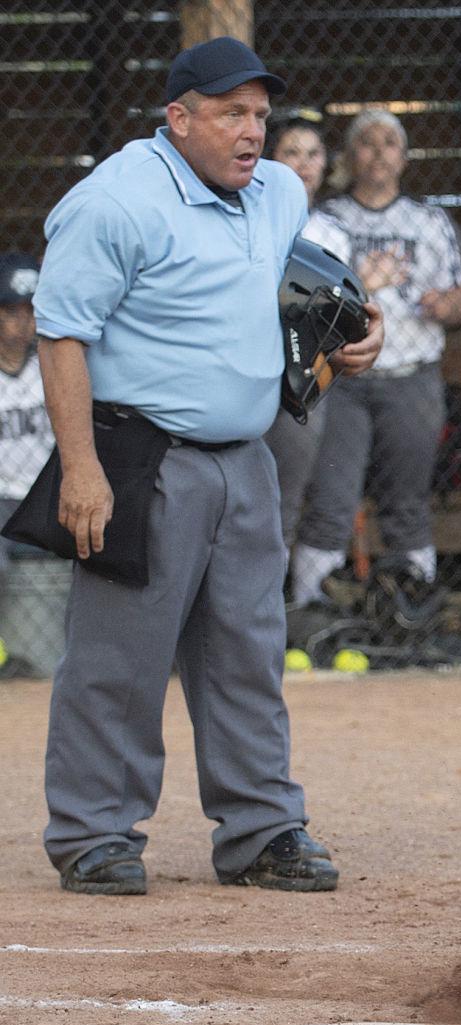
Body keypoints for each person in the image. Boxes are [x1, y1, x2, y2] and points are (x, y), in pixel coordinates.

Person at [30, 37, 383, 895]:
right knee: (119, 657)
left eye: (260, 113)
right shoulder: (114, 201)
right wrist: (81, 469)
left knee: (249, 652)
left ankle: (262, 828)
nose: (252, 130)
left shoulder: (281, 192)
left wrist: (354, 338)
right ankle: (93, 833)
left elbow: (287, 295)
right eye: (231, 114)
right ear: (179, 119)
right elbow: (61, 333)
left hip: (248, 457)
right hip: (140, 457)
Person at [290, 107, 461, 604]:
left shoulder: (430, 221)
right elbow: (302, 300)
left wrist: (448, 305)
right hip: (341, 381)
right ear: (349, 156)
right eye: (367, 143)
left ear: (405, 157)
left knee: (408, 505)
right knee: (330, 503)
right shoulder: (327, 220)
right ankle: (314, 613)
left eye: (389, 143)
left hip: (412, 377)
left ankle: (412, 611)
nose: (378, 153)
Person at [262, 108, 353, 550]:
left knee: (285, 503)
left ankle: (275, 592)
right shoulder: (249, 219)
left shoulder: (333, 233)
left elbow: (339, 316)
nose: (304, 164)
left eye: (313, 154)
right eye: (292, 153)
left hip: (302, 379)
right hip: (249, 372)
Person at [0, 253, 52, 554]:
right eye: (11, 310)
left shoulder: (51, 368)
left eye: (31, 309)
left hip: (48, 493)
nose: (23, 322)